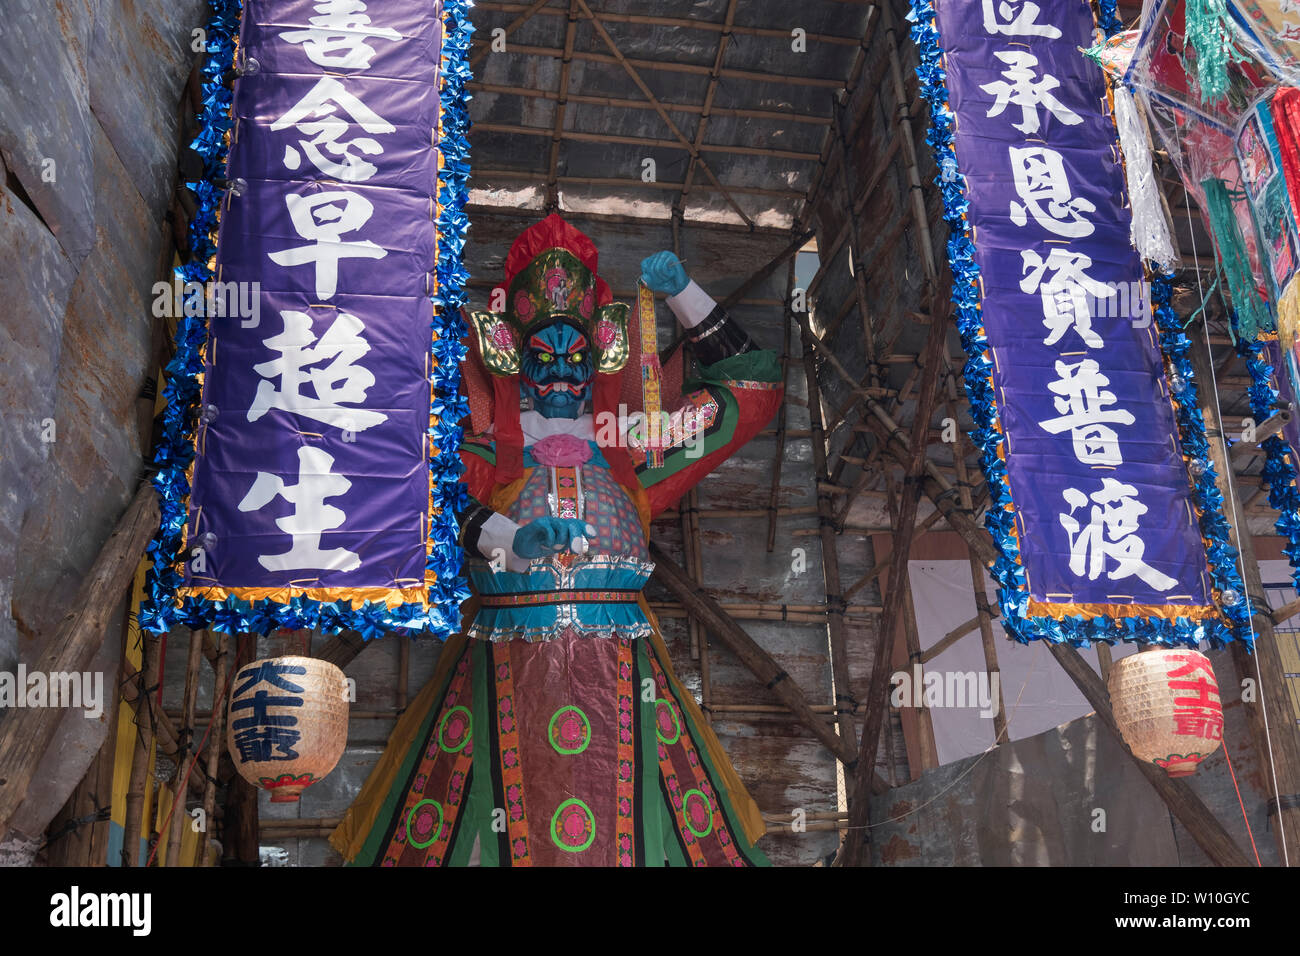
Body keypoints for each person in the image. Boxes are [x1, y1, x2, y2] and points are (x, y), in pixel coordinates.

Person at [330, 215, 784, 865]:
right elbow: (412, 496)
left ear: (602, 354)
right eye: (544, 356)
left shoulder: (636, 449)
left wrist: (687, 295)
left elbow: (753, 388)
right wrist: (513, 541)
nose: (563, 374)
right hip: (507, 675)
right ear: (511, 353)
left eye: (578, 357)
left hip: (624, 679)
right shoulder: (479, 453)